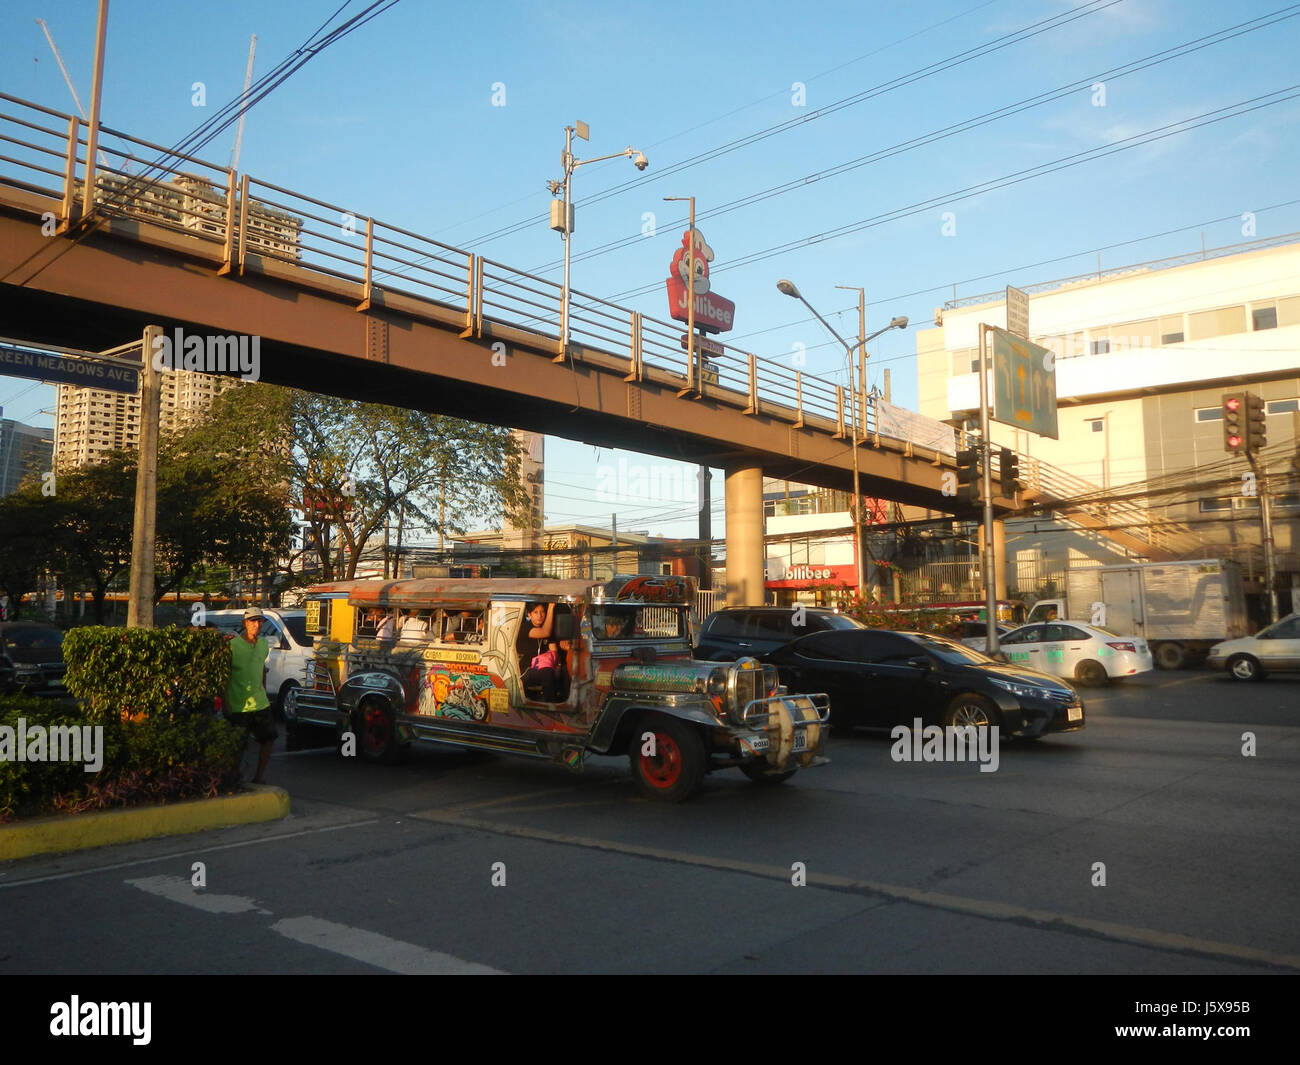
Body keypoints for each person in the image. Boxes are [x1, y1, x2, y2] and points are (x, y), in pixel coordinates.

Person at [224, 606, 275, 785]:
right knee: (237, 746)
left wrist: (264, 690)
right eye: (253, 621)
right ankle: (233, 779)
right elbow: (224, 675)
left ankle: (259, 777)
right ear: (245, 623)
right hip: (238, 704)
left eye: (259, 621)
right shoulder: (232, 646)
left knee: (268, 740)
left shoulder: (263, 644)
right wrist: (225, 702)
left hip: (260, 702)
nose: (257, 625)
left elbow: (261, 669)